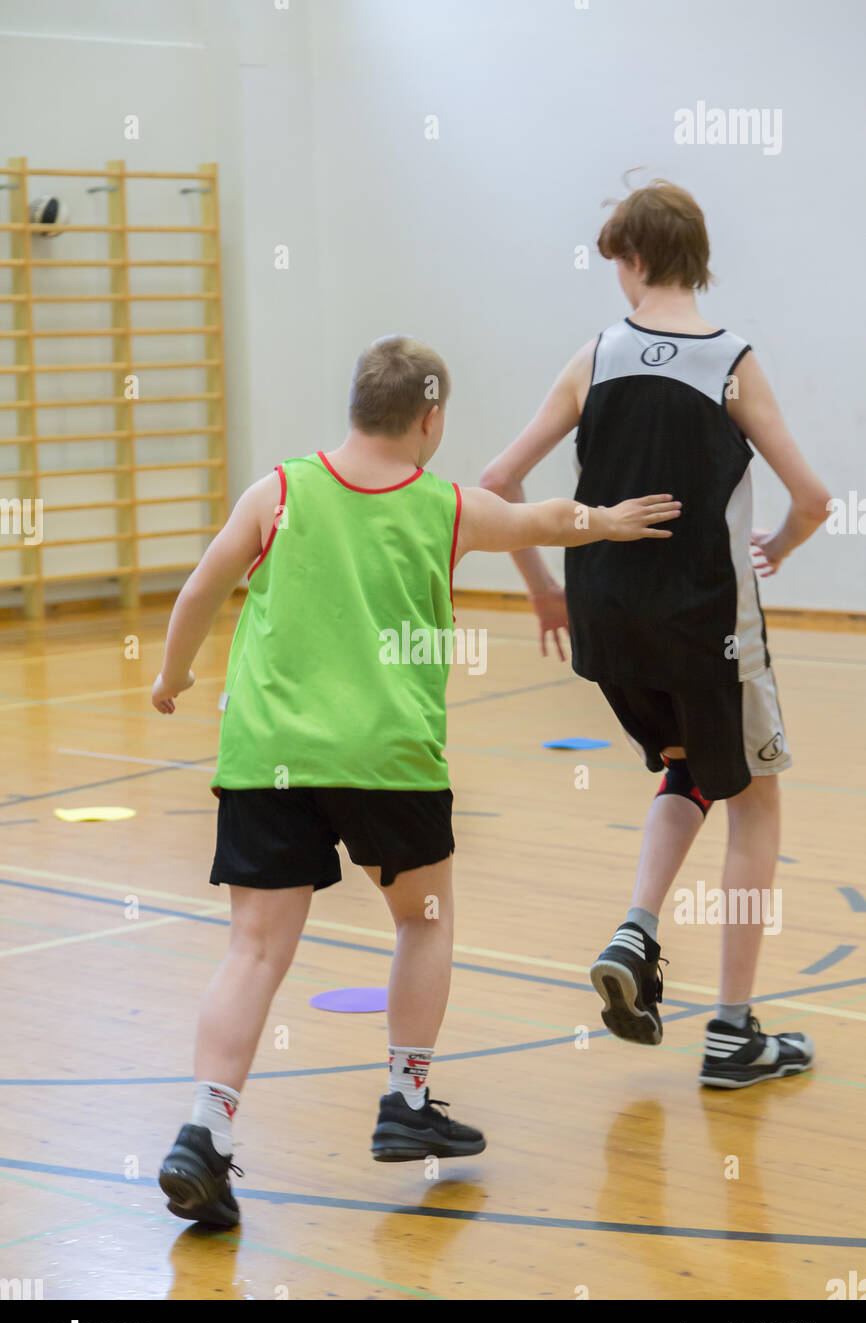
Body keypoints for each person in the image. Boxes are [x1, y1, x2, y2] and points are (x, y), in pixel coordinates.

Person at [151, 334, 680, 1226]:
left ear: (358, 406)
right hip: (387, 759)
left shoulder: (277, 489)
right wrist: (610, 521)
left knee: (252, 953)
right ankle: (406, 1100)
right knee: (422, 921)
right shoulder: (442, 507)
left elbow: (200, 591)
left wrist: (172, 678)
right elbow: (546, 518)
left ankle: (206, 1130)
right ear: (430, 418)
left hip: (265, 754)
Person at [481, 180, 831, 1089]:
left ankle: (637, 933)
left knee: (686, 766)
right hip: (706, 624)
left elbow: (494, 484)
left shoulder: (595, 356)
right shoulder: (733, 361)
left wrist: (545, 590)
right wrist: (779, 550)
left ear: (633, 261)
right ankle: (733, 1032)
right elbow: (814, 499)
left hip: (606, 626)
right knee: (754, 800)